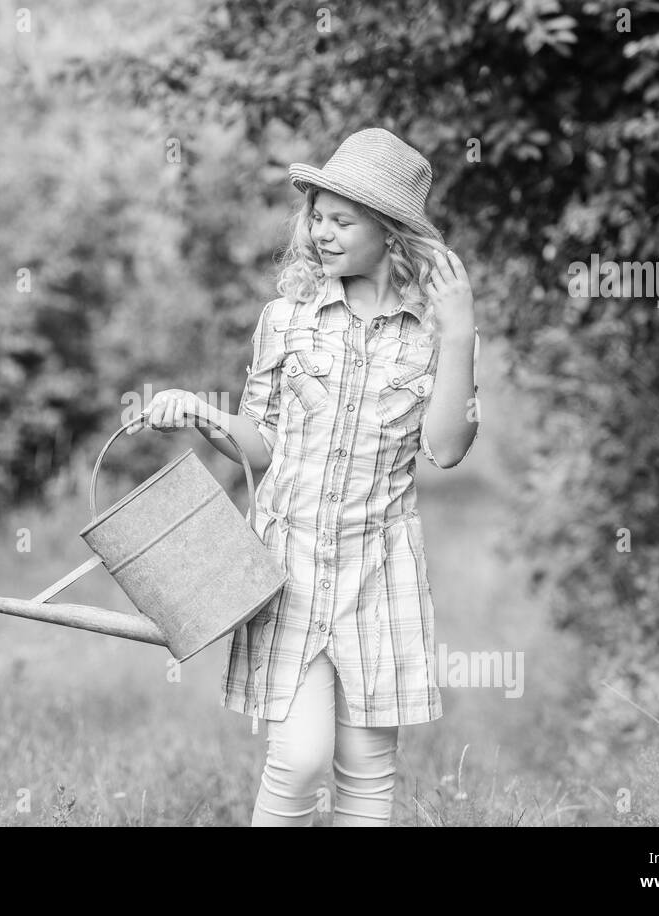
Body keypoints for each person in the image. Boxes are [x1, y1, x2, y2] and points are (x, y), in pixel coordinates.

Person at [138, 128, 481, 826]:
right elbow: (261, 447)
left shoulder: (428, 336)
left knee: (366, 775)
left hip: (378, 577)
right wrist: (204, 414)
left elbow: (446, 447)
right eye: (316, 217)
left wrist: (461, 332)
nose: (321, 233)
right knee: (296, 761)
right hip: (287, 569)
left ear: (388, 232)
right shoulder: (286, 321)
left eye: (340, 220)